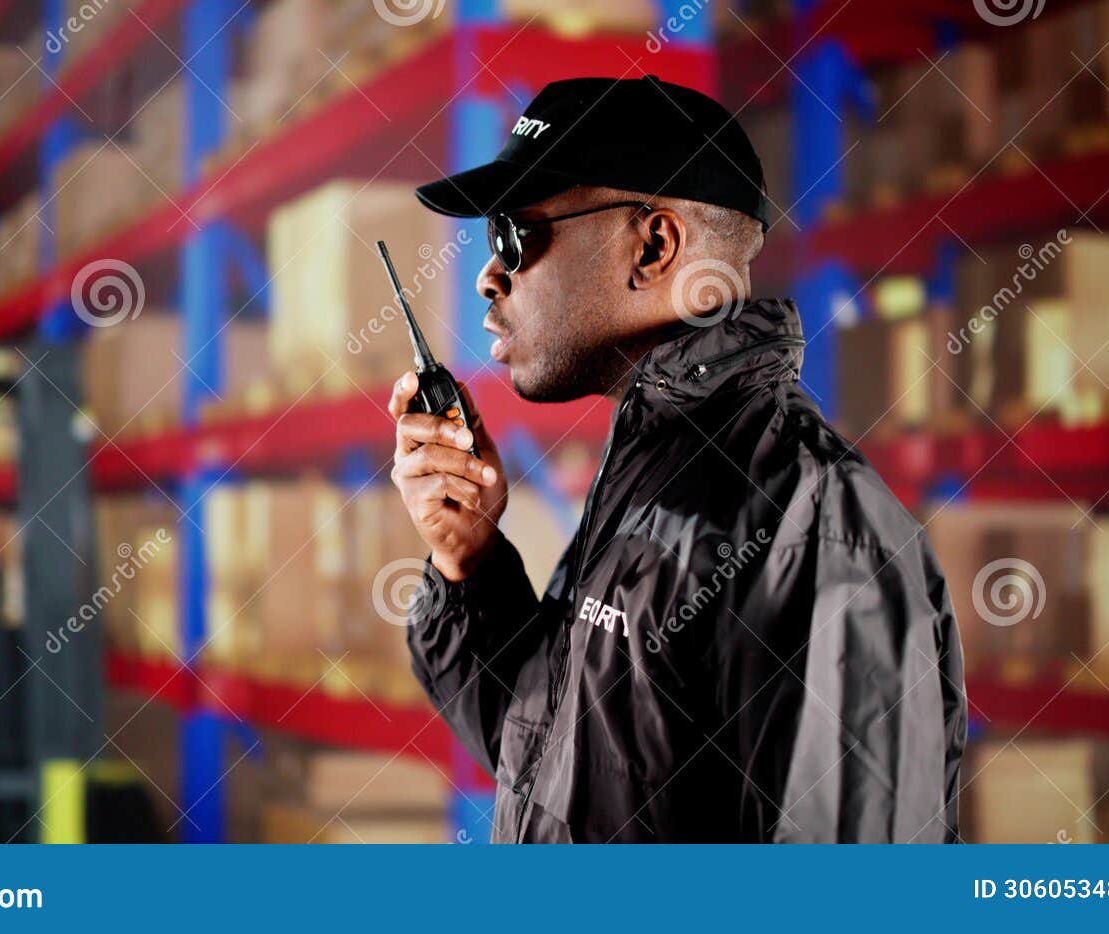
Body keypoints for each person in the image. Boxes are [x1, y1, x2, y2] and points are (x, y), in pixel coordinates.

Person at [386, 76, 965, 843]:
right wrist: (471, 563)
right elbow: (551, 768)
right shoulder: (648, 483)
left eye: (515, 235)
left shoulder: (815, 527)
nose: (490, 275)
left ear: (654, 247)